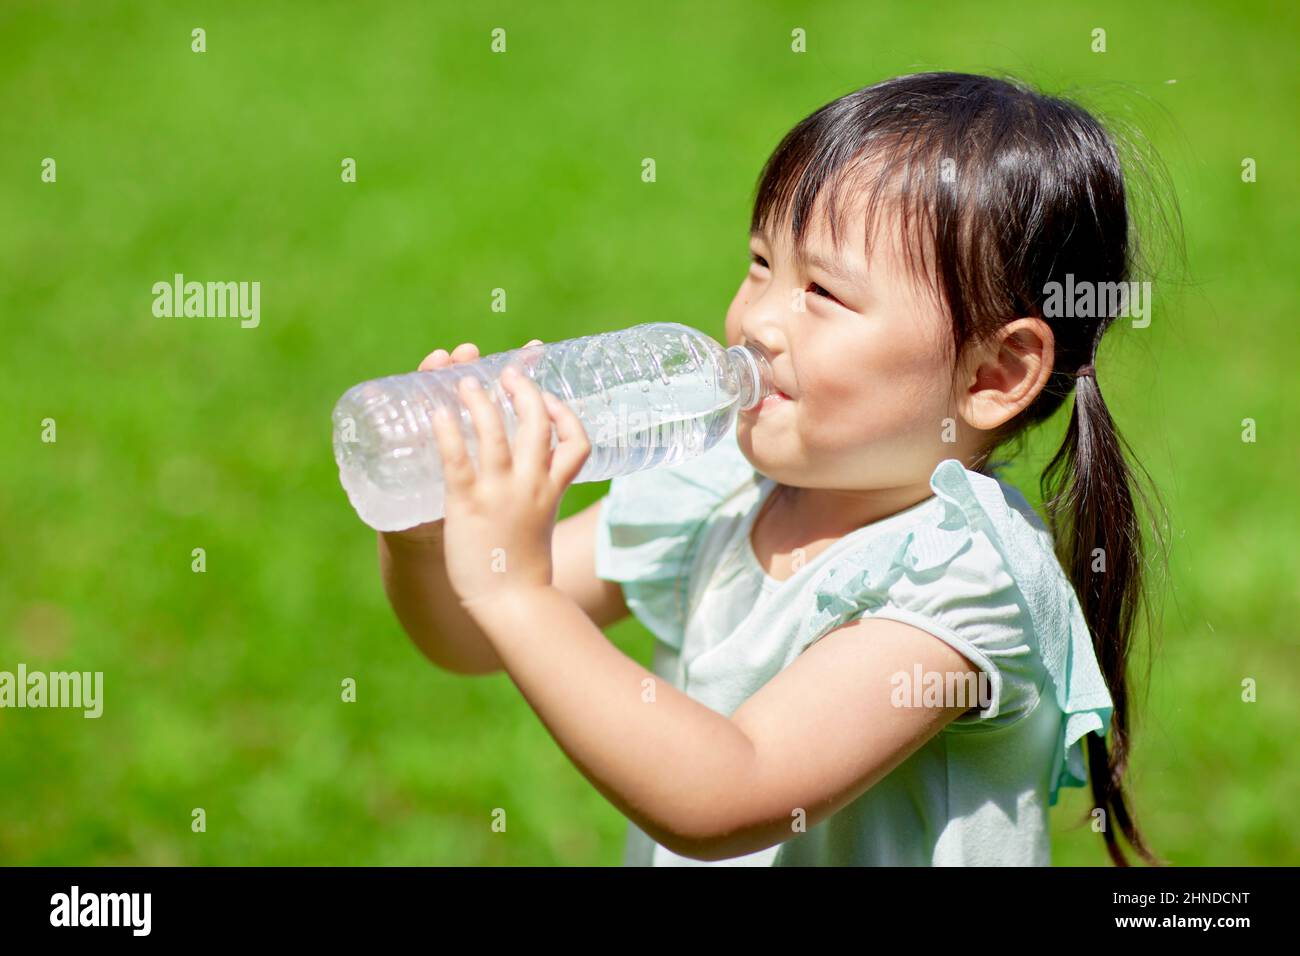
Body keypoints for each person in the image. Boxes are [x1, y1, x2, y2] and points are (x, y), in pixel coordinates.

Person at [379, 72, 1170, 866]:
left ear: (992, 375)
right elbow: (466, 641)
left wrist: (516, 591)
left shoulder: (960, 583)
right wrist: (429, 541)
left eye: (822, 291)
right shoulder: (717, 485)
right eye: (762, 263)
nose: (757, 318)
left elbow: (730, 794)